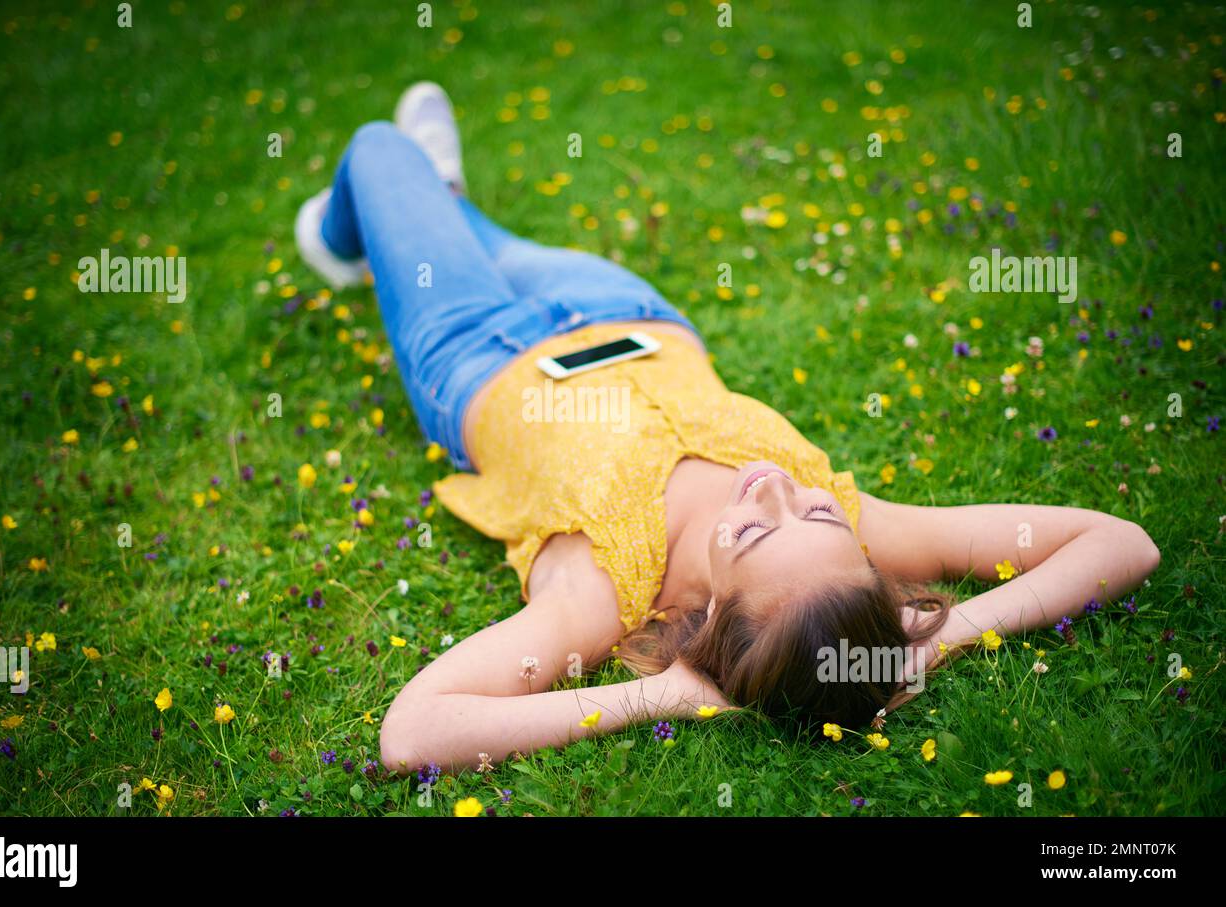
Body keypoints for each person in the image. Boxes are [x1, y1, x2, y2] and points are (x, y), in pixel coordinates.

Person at [294, 83, 1160, 774]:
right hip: (621, 308)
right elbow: (1120, 541)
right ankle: (438, 200)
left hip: (475, 351)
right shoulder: (862, 542)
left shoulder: (601, 594)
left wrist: (664, 698)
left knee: (376, 150)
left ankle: (350, 238)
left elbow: (412, 732)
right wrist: (921, 648)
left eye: (747, 531)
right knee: (443, 214)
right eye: (816, 514)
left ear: (706, 619)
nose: (776, 487)